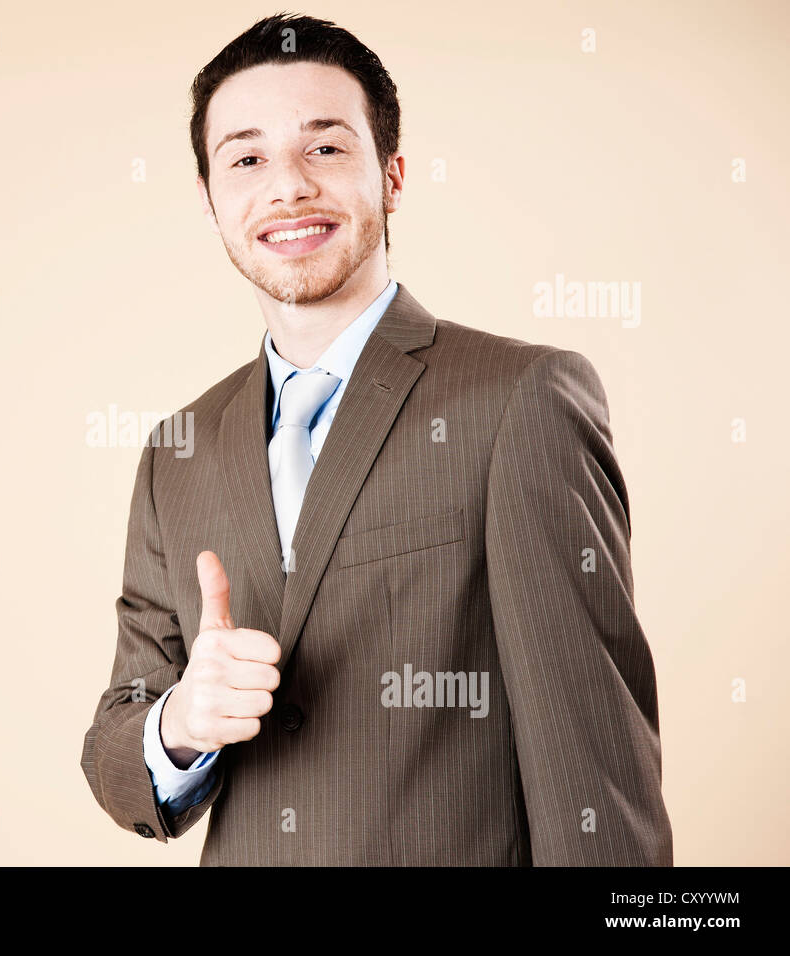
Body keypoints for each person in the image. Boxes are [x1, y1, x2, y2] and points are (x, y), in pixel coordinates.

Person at [80, 11, 672, 866]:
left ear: (391, 175)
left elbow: (597, 781)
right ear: (211, 202)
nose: (287, 187)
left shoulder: (519, 400)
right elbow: (118, 743)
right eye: (247, 158)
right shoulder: (179, 449)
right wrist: (178, 723)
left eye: (325, 148)